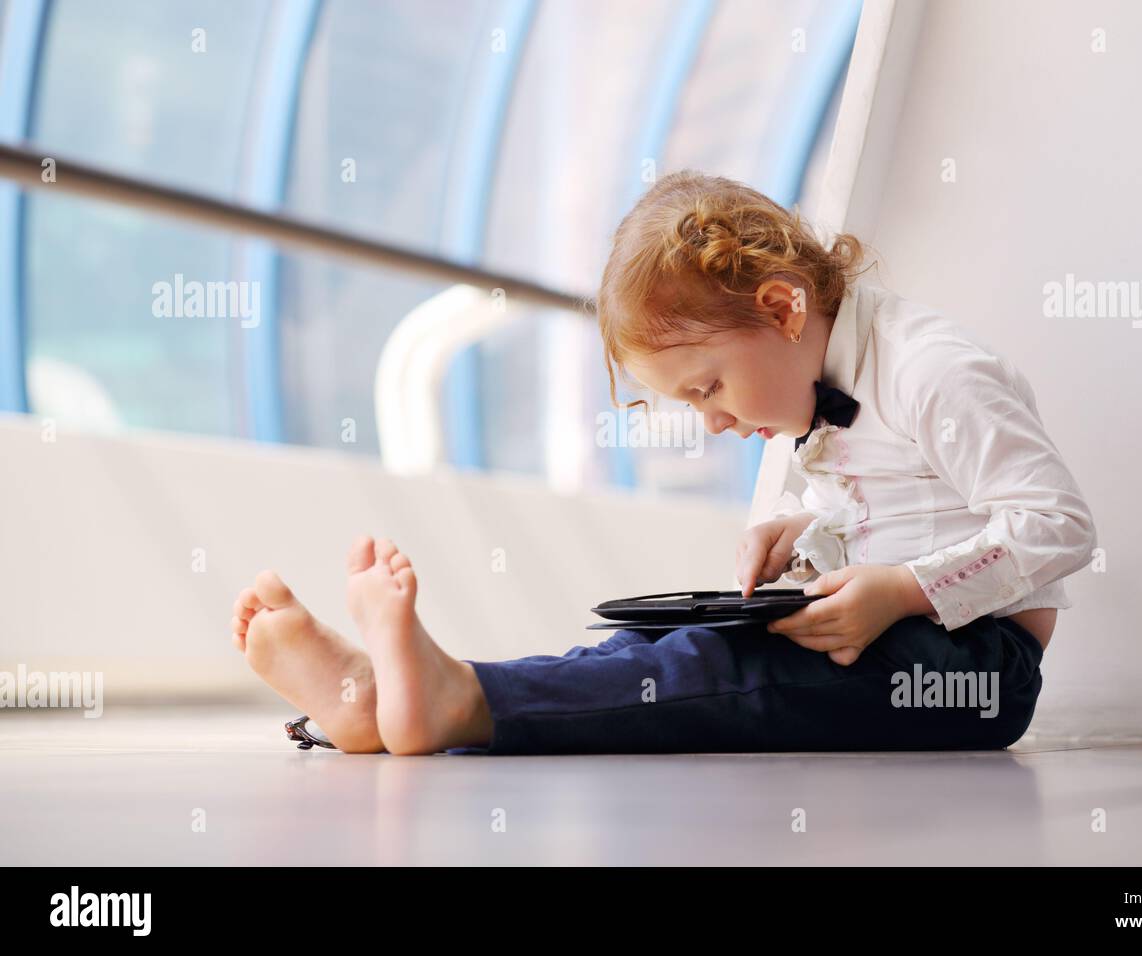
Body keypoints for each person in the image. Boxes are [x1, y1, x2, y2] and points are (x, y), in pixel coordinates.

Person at [230, 170, 1097, 756]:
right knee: (659, 642)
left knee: (733, 674)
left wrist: (901, 589)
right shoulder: (825, 376)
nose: (714, 421)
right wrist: (817, 534)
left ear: (782, 308)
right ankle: (393, 693)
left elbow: (1057, 529)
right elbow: (917, 507)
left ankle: (461, 705)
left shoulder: (935, 371)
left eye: (708, 387)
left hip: (978, 674)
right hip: (912, 642)